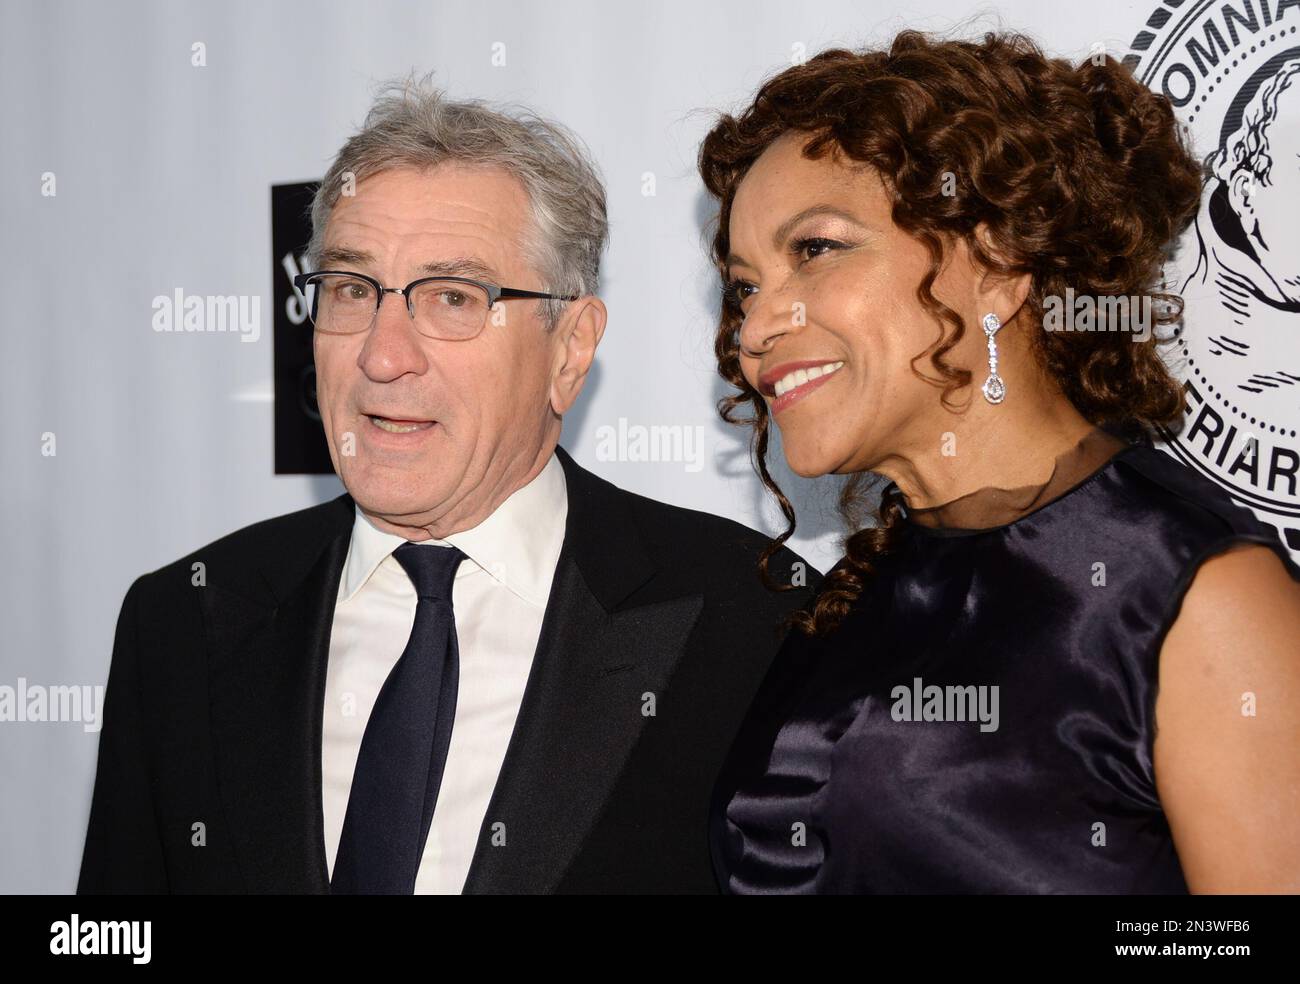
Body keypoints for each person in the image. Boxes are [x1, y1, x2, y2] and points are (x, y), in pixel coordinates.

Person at [77, 77, 815, 894]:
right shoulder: (185, 618)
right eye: (353, 291)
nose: (383, 355)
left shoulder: (754, 621)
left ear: (569, 349)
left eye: (453, 298)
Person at [700, 30, 1300, 893]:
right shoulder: (854, 598)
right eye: (746, 285)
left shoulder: (1191, 595)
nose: (755, 329)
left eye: (815, 250)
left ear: (998, 261)